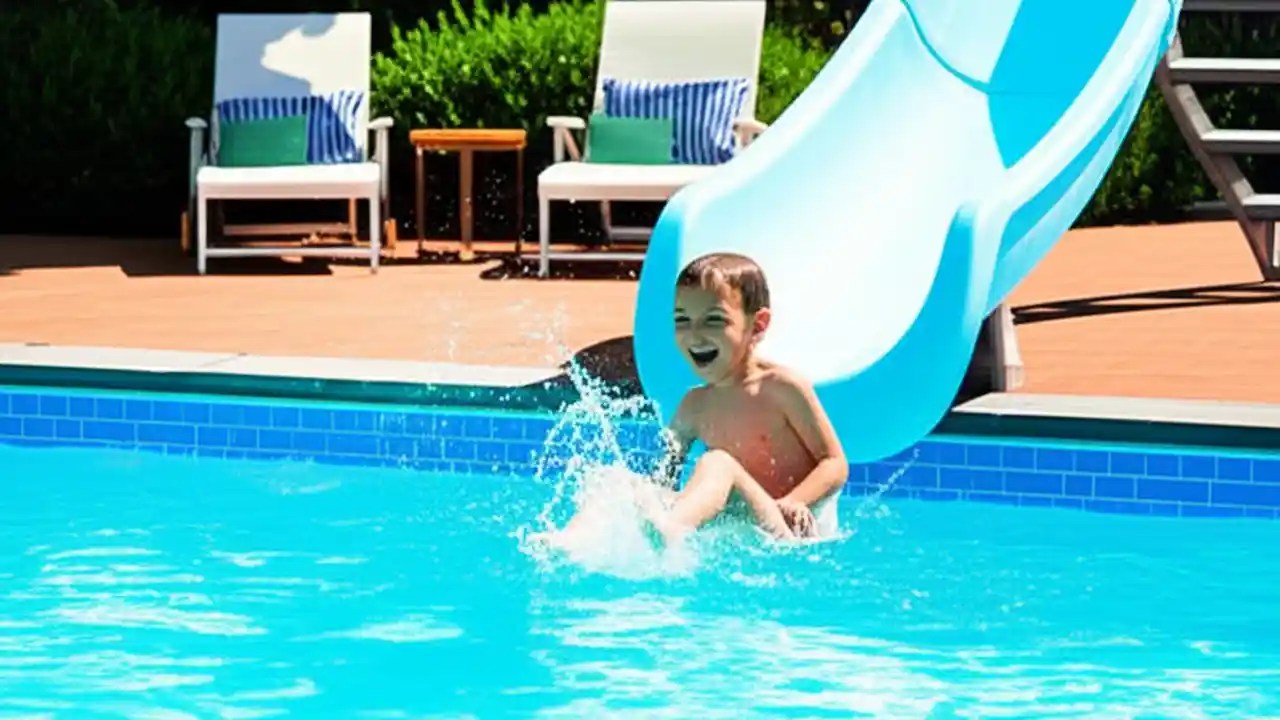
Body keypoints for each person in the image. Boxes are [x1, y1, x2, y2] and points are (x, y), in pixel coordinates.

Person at [538, 252, 848, 549]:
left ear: (758, 325)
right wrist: (643, 499)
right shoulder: (694, 406)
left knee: (719, 462)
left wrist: (795, 501)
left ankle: (673, 530)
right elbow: (662, 479)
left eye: (713, 321)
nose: (695, 335)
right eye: (682, 320)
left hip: (789, 532)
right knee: (625, 482)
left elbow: (834, 463)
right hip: (742, 532)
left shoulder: (782, 387)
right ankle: (571, 541)